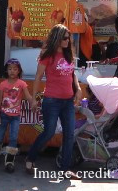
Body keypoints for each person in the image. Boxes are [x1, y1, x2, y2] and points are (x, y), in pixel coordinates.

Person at [24, 24, 82, 179]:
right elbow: (38, 77)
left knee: (69, 134)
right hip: (52, 100)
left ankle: (65, 169)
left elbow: (72, 74)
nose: (67, 41)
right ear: (56, 38)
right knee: (49, 132)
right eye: (64, 38)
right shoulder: (47, 55)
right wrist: (33, 98)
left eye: (68, 38)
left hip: (68, 101)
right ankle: (30, 157)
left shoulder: (68, 53)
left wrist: (78, 88)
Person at [0, 58, 32, 173]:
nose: (12, 71)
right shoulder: (3, 84)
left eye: (15, 69)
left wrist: (33, 102)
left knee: (13, 138)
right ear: (6, 71)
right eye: (10, 69)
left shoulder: (22, 84)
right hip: (3, 115)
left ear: (19, 71)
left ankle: (9, 162)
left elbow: (28, 96)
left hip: (15, 117)